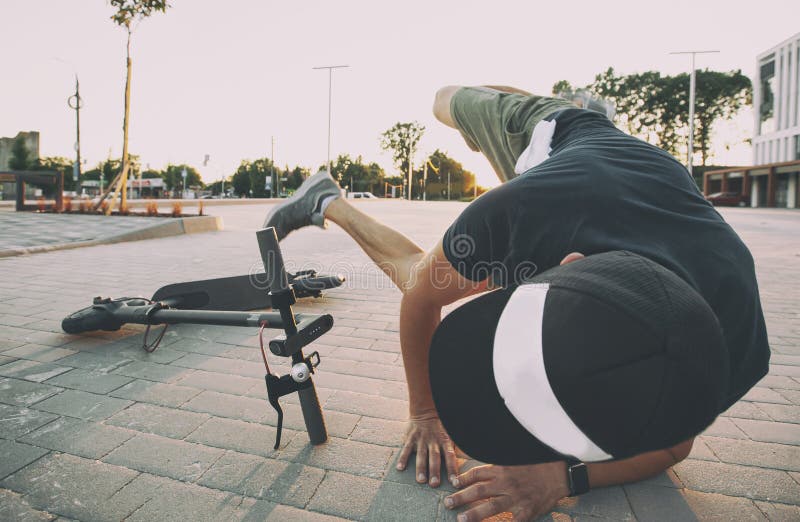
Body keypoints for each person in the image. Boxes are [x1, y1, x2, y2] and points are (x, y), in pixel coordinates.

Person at [263, 85, 769, 521]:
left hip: (620, 202)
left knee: (443, 274)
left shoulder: (728, 331)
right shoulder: (514, 215)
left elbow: (674, 445)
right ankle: (558, 103)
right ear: (565, 267)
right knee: (445, 105)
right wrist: (425, 414)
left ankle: (326, 200)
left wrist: (563, 478)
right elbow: (421, 299)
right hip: (556, 134)